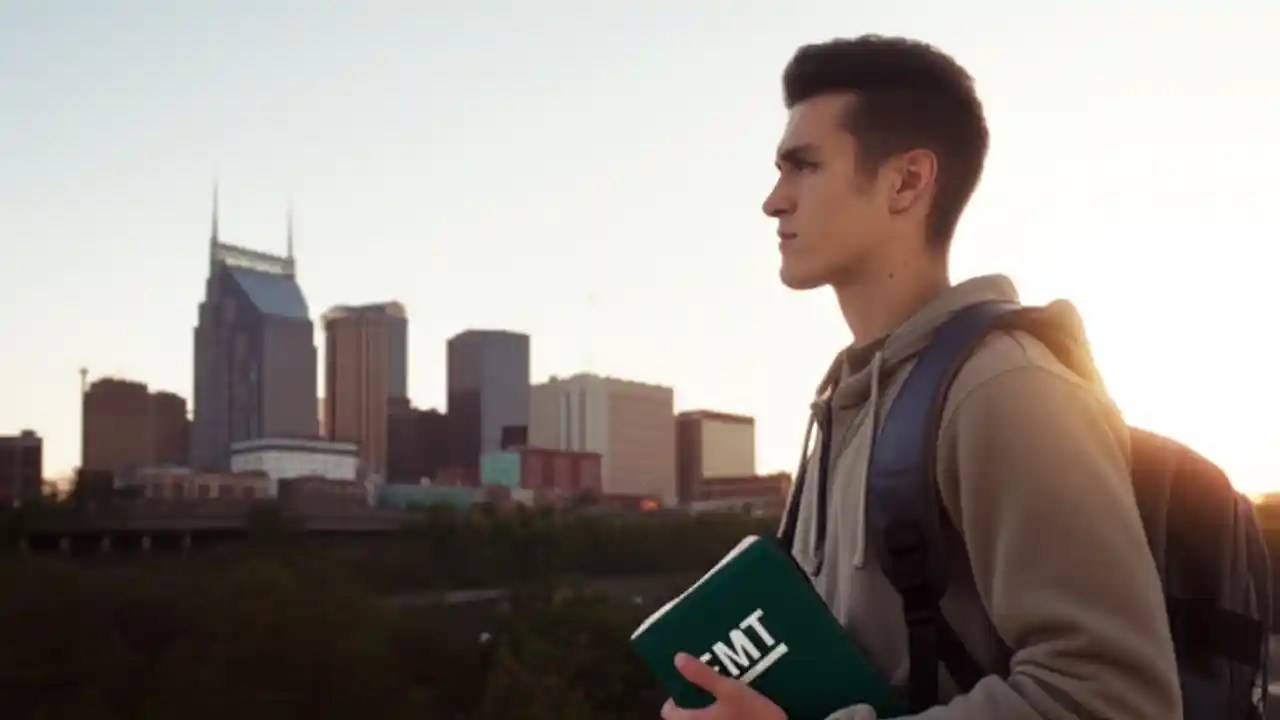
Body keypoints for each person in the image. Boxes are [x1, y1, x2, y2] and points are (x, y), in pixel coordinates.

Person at [660, 35, 1182, 720]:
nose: (773, 201)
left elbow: (1117, 699)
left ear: (906, 181)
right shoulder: (842, 408)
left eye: (804, 167)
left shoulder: (1006, 391)